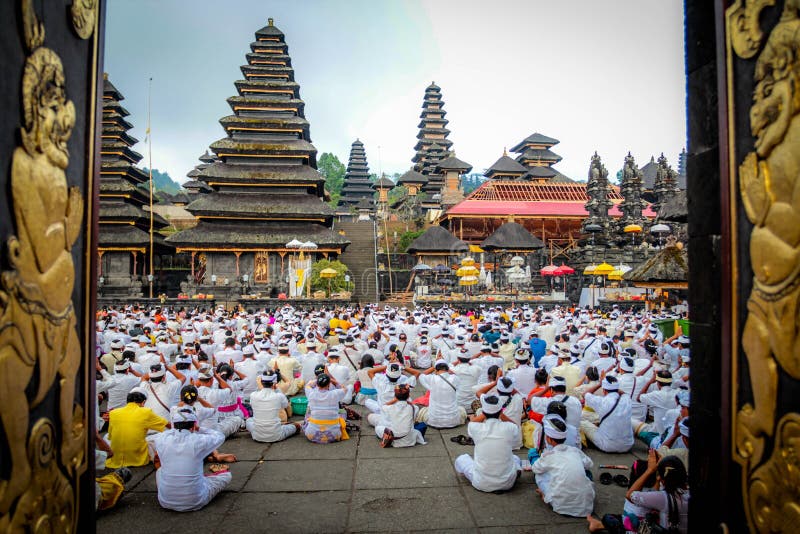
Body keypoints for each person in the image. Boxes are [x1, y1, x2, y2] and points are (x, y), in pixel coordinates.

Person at [146, 407, 231, 512]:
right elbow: (219, 436)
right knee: (227, 476)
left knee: (159, 471)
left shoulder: (161, 439)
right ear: (193, 426)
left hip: (165, 501)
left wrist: (175, 427)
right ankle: (210, 476)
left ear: (174, 425)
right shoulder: (198, 441)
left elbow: (166, 433)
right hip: (196, 501)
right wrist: (199, 428)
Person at [454, 394, 522, 493]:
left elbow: (472, 423)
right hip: (507, 483)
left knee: (462, 459)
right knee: (516, 458)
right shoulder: (509, 428)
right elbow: (516, 426)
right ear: (500, 411)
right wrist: (500, 413)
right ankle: (515, 473)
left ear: (484, 412)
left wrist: (486, 412)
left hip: (481, 482)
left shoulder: (475, 428)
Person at [532, 416, 595, 517]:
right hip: (586, 507)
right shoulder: (575, 451)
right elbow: (589, 464)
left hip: (561, 505)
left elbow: (535, 468)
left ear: (548, 438)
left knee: (539, 475)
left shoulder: (549, 455)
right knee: (586, 473)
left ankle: (545, 495)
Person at [106, 389, 168, 468]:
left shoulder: (113, 413)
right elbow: (166, 424)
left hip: (116, 460)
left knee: (106, 437)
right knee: (159, 437)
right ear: (143, 402)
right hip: (138, 459)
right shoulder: (146, 412)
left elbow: (110, 437)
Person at [580, 375, 634, 453]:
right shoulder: (626, 399)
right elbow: (624, 393)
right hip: (627, 445)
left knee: (582, 422)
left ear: (604, 390)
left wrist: (600, 384)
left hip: (607, 445)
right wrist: (614, 387)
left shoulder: (601, 401)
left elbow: (584, 394)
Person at [247, 370, 301, 443]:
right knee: (297, 426)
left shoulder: (253, 395)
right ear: (274, 383)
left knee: (248, 420)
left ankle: (281, 425)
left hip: (257, 436)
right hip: (276, 435)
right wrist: (276, 389)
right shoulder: (279, 396)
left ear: (262, 382)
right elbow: (285, 405)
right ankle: (283, 425)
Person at [416, 359, 466, 429]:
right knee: (461, 409)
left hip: (434, 421)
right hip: (453, 421)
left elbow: (421, 375)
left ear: (436, 370)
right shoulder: (455, 378)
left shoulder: (431, 378)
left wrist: (433, 367)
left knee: (423, 411)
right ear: (448, 369)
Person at [303, 372, 348, 444]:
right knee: (343, 411)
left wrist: (317, 380)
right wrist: (333, 380)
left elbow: (308, 385)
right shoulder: (335, 394)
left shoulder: (311, 394)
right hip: (334, 434)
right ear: (329, 385)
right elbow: (345, 389)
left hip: (311, 434)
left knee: (308, 413)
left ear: (317, 384)